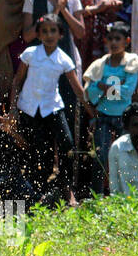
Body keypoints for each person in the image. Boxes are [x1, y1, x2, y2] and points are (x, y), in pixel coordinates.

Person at [11, 12, 94, 201]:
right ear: (39, 35)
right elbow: (17, 81)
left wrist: (92, 113)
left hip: (52, 107)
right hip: (30, 107)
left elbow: (78, 90)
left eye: (53, 31)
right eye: (45, 31)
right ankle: (38, 191)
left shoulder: (64, 59)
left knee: (68, 145)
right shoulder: (31, 54)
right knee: (39, 148)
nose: (49, 35)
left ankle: (64, 185)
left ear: (60, 35)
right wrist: (13, 108)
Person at [84, 20, 138, 167]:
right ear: (105, 41)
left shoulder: (131, 62)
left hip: (124, 117)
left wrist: (103, 86)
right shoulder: (100, 65)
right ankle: (98, 190)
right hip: (103, 116)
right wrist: (112, 86)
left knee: (124, 155)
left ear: (127, 41)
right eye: (110, 39)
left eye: (118, 39)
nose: (114, 43)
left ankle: (124, 190)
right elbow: (90, 92)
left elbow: (128, 91)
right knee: (100, 155)